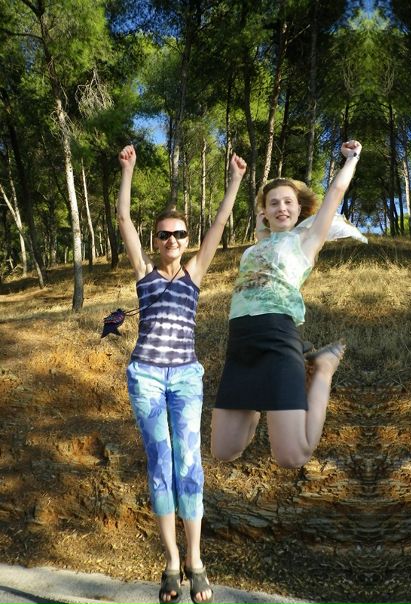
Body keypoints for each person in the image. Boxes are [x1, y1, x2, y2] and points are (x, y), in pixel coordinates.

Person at [117, 144, 247, 604]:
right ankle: (172, 563)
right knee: (161, 464)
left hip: (186, 378)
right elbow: (124, 219)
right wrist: (128, 171)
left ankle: (196, 560)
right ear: (155, 241)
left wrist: (234, 182)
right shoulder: (144, 274)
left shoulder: (194, 274)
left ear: (187, 240)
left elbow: (219, 224)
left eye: (179, 234)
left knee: (189, 463)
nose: (171, 239)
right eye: (164, 235)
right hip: (147, 377)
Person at [211, 140, 363, 469]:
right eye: (273, 203)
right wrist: (246, 196)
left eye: (288, 202)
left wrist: (352, 159)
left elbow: (335, 193)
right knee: (224, 450)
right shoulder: (256, 246)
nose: (281, 207)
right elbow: (262, 237)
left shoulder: (306, 240)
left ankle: (321, 369)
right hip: (240, 342)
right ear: (264, 212)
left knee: (292, 457)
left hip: (277, 335)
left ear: (298, 209)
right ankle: (262, 399)